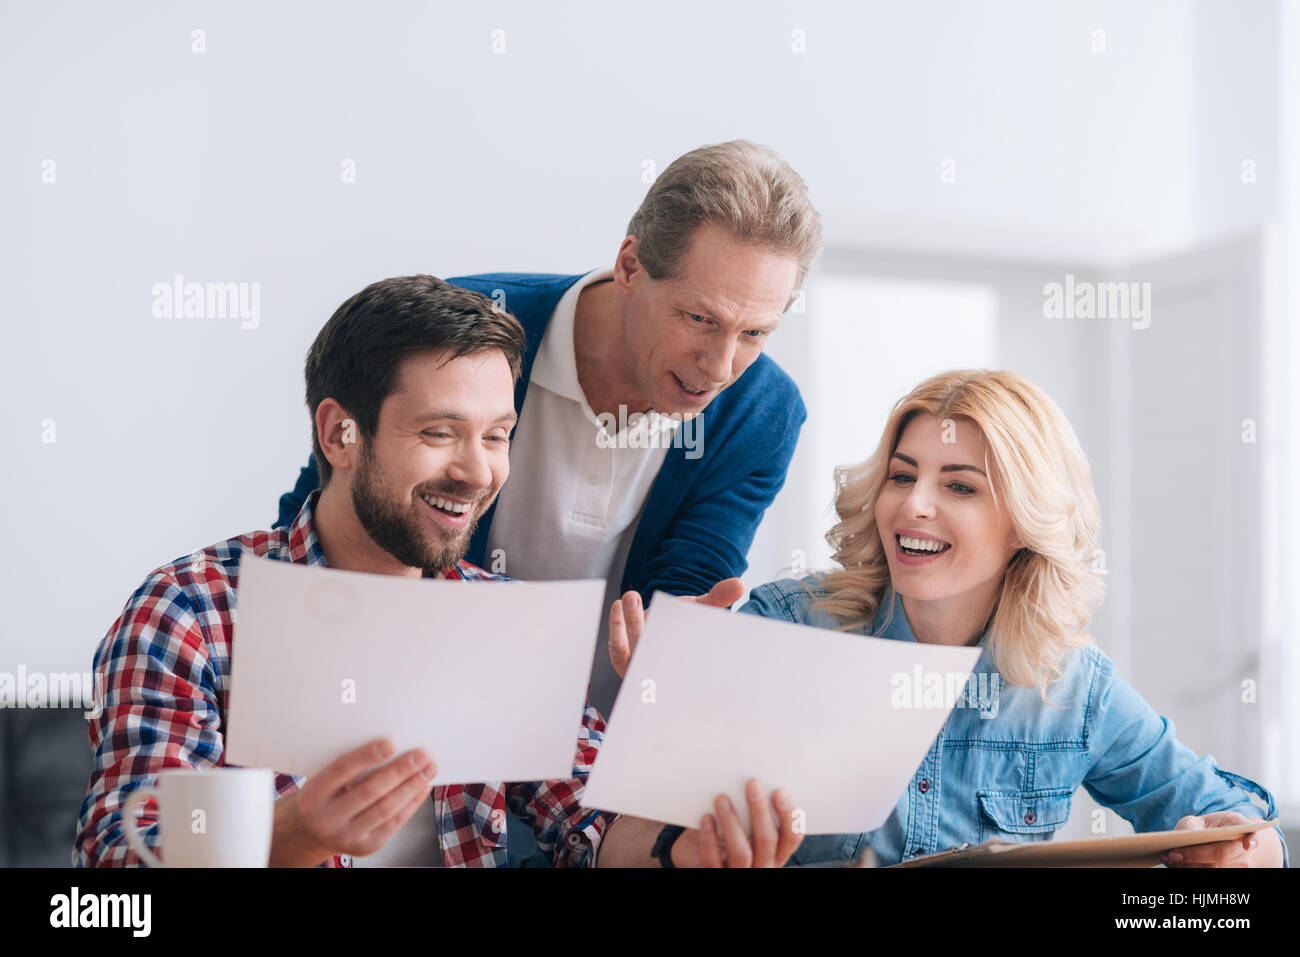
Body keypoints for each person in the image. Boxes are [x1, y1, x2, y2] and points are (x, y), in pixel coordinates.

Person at [75, 274, 797, 869]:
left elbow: (598, 832)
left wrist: (686, 847)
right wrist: (292, 833)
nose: (478, 471)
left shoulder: (505, 625)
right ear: (339, 433)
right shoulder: (191, 610)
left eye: (496, 436)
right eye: (438, 433)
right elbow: (116, 874)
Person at [608, 369, 1288, 867]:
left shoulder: (1073, 687)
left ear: (1025, 522)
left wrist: (1243, 850)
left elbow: (1245, 823)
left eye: (959, 485)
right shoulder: (789, 626)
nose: (913, 506)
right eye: (903, 476)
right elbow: (623, 847)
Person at [273, 140, 822, 721]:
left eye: (756, 334)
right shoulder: (467, 331)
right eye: (699, 319)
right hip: (390, 706)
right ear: (631, 266)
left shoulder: (762, 410)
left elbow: (683, 594)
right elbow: (327, 514)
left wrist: (684, 655)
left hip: (589, 769)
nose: (720, 367)